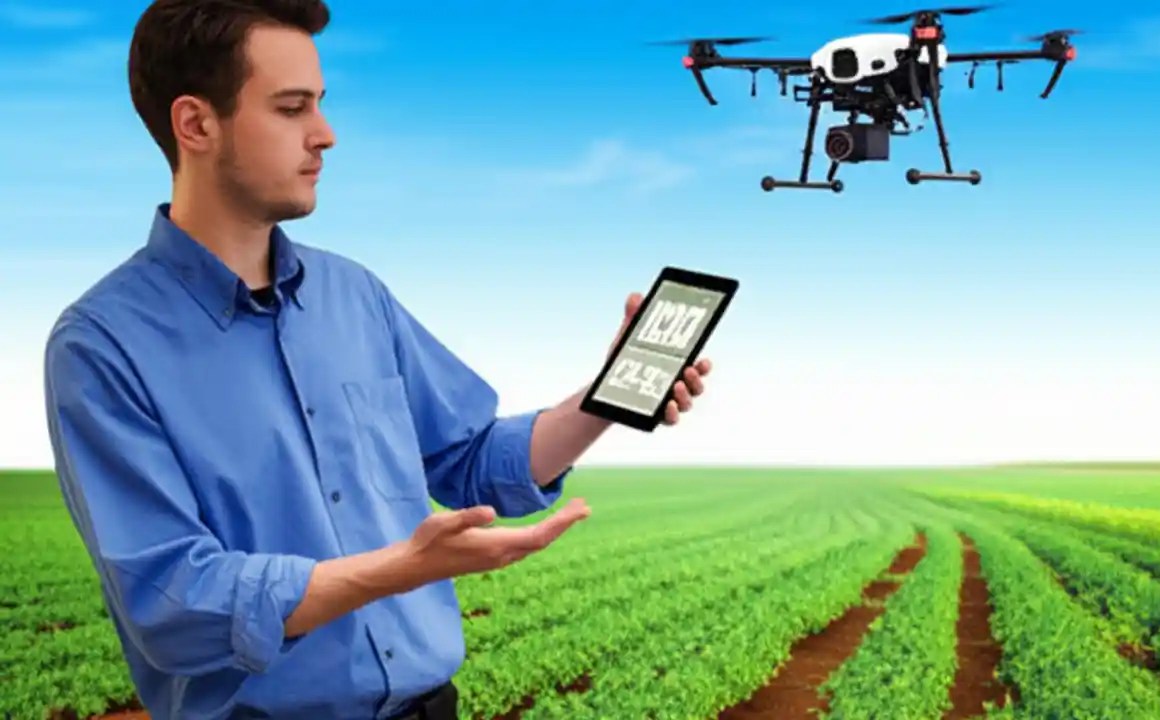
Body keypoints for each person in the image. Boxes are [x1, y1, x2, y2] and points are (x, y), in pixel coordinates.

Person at [40, 1, 714, 718]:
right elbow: (173, 601)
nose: (325, 136)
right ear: (196, 124)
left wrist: (608, 395)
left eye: (320, 105)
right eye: (292, 108)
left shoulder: (354, 294)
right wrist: (394, 571)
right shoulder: (101, 345)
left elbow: (472, 458)